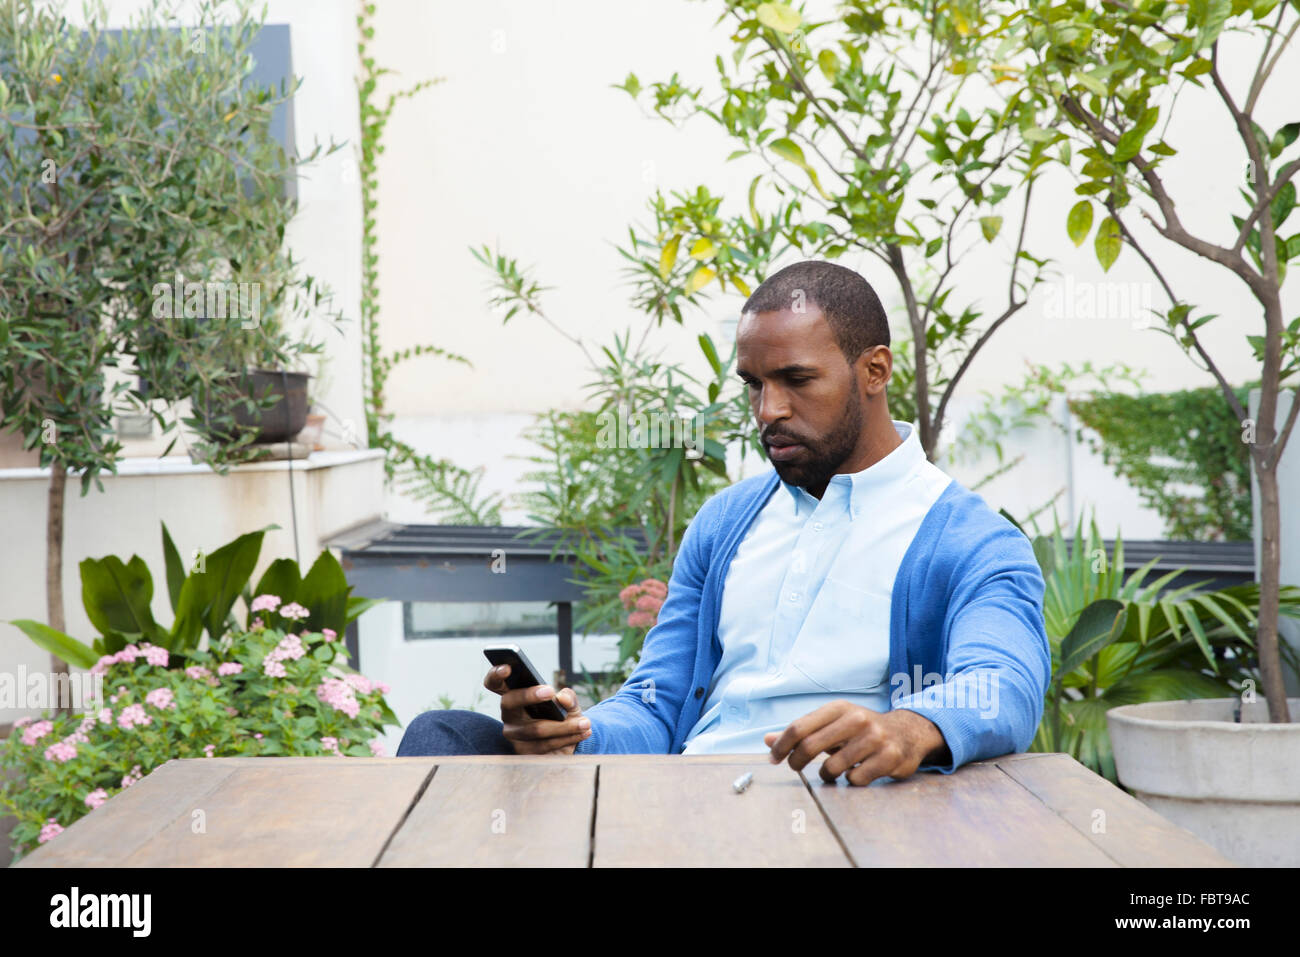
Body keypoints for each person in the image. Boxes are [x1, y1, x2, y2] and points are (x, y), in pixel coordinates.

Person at [397, 260, 1051, 785]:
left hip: (840, 818)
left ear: (874, 370)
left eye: (796, 379)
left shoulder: (970, 541)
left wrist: (910, 726)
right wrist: (574, 732)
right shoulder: (725, 524)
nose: (768, 409)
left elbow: (1005, 683)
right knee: (440, 737)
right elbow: (656, 703)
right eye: (754, 384)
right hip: (686, 808)